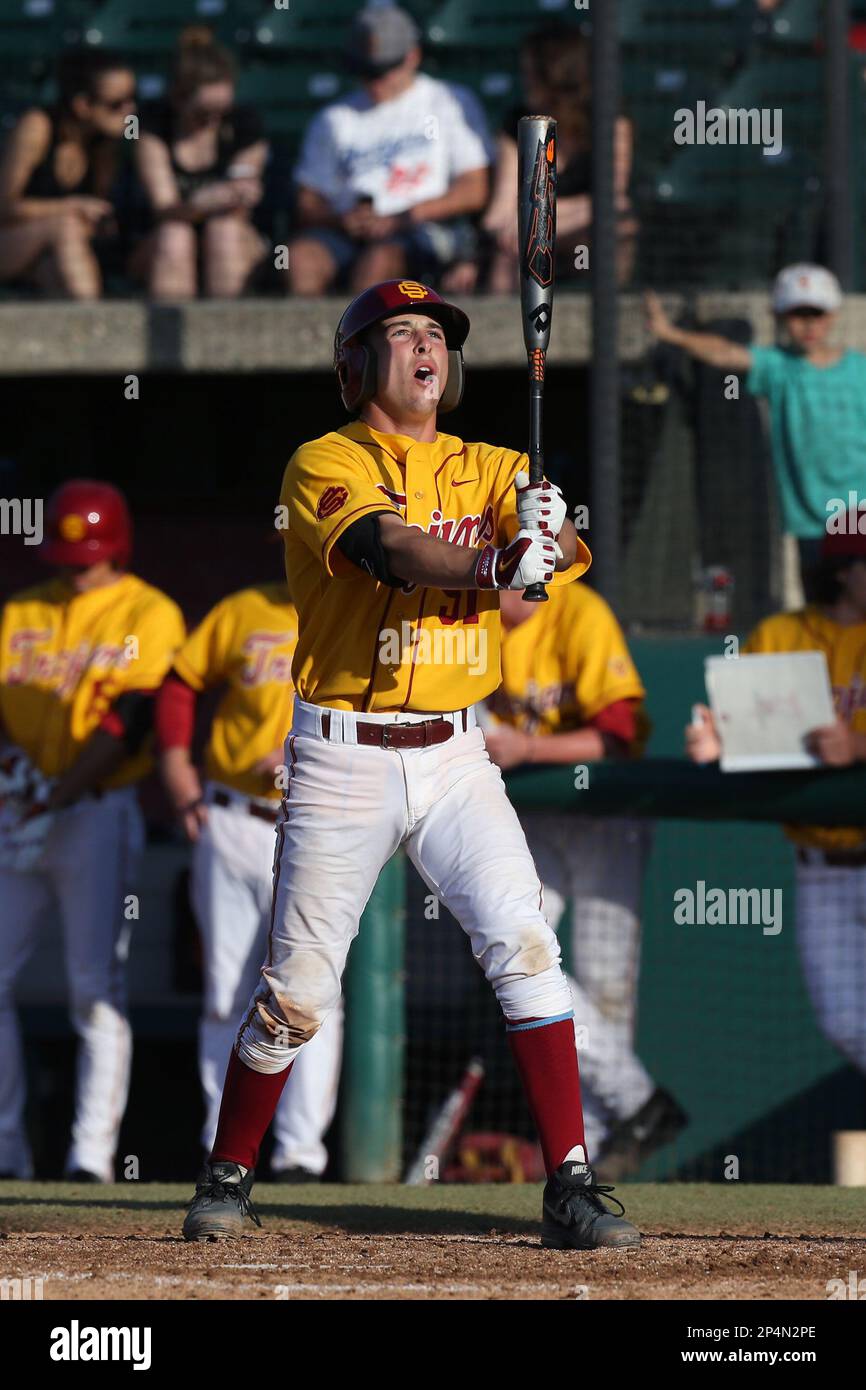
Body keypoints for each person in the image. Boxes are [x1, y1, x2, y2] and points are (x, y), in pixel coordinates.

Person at [181, 277, 640, 1250]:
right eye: (401, 333)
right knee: (294, 997)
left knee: (525, 949)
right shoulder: (323, 459)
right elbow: (388, 547)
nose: (425, 347)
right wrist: (489, 564)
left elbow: (557, 557)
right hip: (341, 752)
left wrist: (543, 531)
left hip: (455, 753)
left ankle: (568, 1180)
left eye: (436, 333)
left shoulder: (492, 463)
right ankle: (228, 1167)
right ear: (357, 364)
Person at [0, 481, 185, 1181]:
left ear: (116, 549)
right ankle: (8, 1154)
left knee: (93, 986)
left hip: (94, 811)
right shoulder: (23, 609)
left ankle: (91, 1157)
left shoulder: (149, 611)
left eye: (90, 557)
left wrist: (60, 791)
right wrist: (15, 773)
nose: (77, 568)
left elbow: (133, 718)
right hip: (21, 808)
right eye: (67, 556)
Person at [482, 583, 687, 1180]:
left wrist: (528, 747)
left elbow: (616, 734)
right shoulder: (470, 622)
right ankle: (639, 1104)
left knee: (603, 982)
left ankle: (591, 1152)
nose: (489, 592)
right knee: (512, 950)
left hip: (604, 814)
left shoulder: (579, 612)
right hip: (534, 818)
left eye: (499, 578)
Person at [155, 579, 342, 1180]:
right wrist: (179, 776)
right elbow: (180, 684)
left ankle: (300, 1156)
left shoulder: (360, 603)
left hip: (318, 818)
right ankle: (224, 1148)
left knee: (312, 989)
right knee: (225, 992)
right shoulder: (243, 608)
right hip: (234, 817)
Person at [686, 520, 866, 1080]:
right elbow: (740, 722)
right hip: (820, 868)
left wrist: (859, 744)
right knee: (845, 1022)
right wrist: (715, 739)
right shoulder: (782, 634)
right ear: (843, 572)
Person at [644, 265, 866, 604]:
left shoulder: (858, 369)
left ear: (833, 315)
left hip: (860, 519)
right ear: (777, 315)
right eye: (797, 313)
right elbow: (725, 353)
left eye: (816, 313)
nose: (808, 324)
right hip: (809, 524)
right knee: (821, 614)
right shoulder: (777, 366)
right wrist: (671, 334)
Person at [288, 6, 492, 296]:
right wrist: (341, 219)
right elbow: (307, 200)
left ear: (413, 57)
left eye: (383, 70)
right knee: (300, 259)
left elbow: (474, 188)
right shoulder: (334, 118)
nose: (374, 81)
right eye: (365, 71)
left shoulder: (449, 101)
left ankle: (357, 341)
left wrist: (402, 218)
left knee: (380, 260)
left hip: (424, 227)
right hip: (347, 231)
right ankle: (308, 340)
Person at [478, 24, 637, 294]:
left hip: (582, 234)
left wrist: (536, 222)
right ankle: (504, 331)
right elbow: (497, 216)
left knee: (620, 229)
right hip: (527, 241)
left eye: (531, 72)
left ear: (557, 73)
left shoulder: (609, 120)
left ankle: (612, 323)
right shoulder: (516, 123)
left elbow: (613, 199)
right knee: (507, 253)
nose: (524, 80)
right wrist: (526, 228)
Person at [131, 28, 268, 299]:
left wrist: (242, 193)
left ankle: (228, 335)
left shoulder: (244, 123)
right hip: (162, 244)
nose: (213, 122)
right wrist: (198, 205)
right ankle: (167, 339)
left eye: (222, 111)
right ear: (178, 100)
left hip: (232, 242)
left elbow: (241, 204)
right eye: (203, 113)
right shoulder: (153, 125)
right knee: (175, 236)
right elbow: (163, 210)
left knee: (224, 231)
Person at [0, 48, 136, 298]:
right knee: (66, 226)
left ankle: (93, 328)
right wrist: (70, 207)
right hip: (10, 240)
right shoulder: (37, 126)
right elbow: (4, 207)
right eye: (117, 104)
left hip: (55, 254)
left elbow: (134, 140)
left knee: (53, 272)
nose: (130, 110)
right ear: (82, 105)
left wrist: (126, 138)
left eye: (133, 97)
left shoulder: (110, 139)